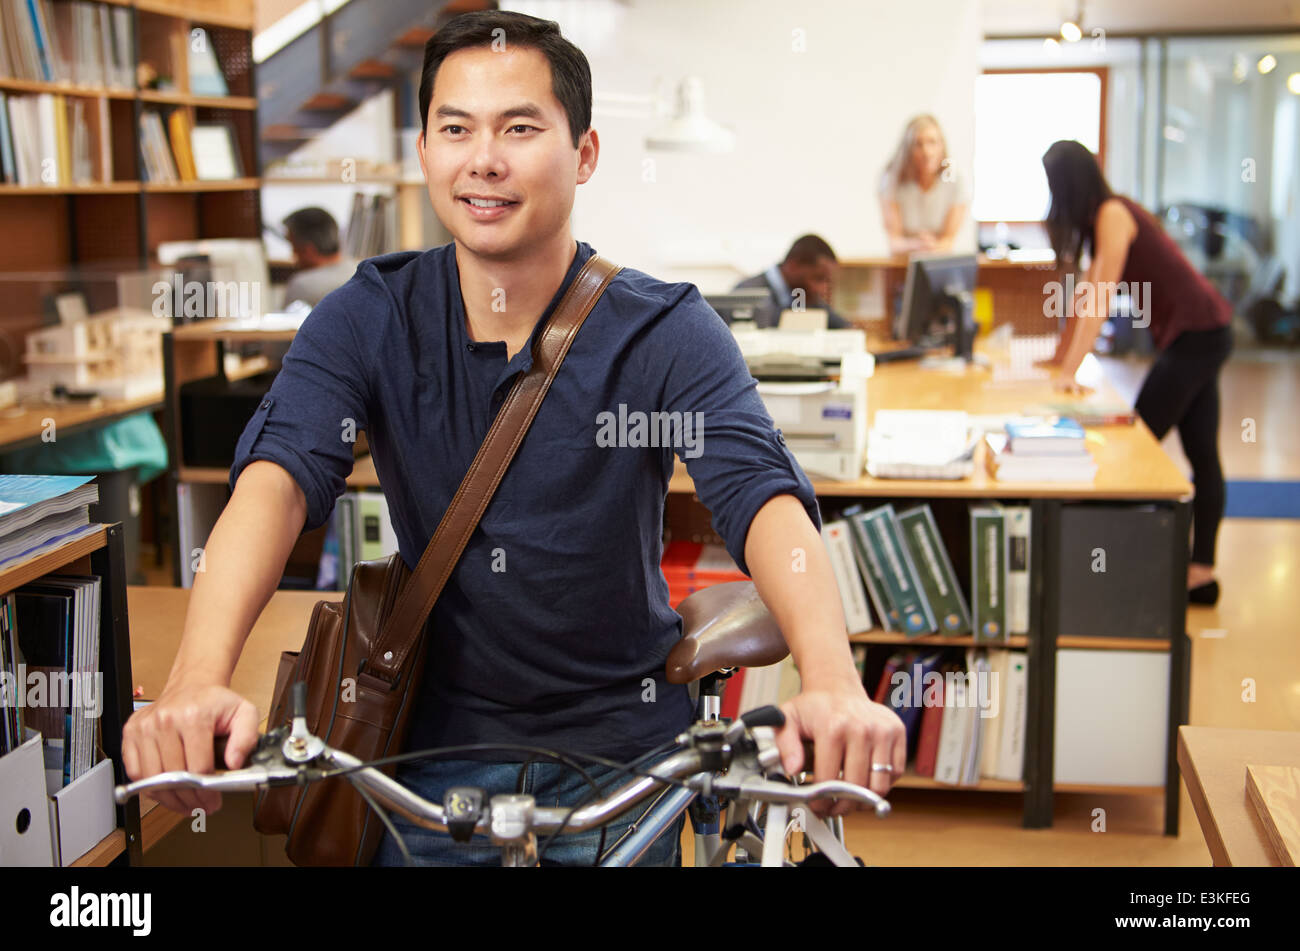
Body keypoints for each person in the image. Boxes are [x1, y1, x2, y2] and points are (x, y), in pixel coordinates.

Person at [121, 10, 905, 866]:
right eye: (455, 128)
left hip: (625, 756)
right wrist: (196, 680)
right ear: (425, 151)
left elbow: (763, 499)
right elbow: (274, 479)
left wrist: (831, 680)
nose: (483, 158)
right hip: (424, 757)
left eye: (520, 127)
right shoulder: (369, 316)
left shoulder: (666, 329)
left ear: (585, 154)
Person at [1037, 140, 1233, 605]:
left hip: (1198, 335)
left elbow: (1100, 298)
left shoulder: (1113, 214)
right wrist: (1060, 356)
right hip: (1204, 331)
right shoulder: (1102, 217)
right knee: (1202, 452)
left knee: (1134, 442)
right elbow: (1088, 290)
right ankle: (1200, 574)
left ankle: (1111, 565)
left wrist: (1070, 372)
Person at [878, 114, 969, 256]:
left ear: (942, 145)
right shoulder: (891, 181)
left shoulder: (955, 181)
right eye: (918, 144)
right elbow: (894, 242)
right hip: (903, 262)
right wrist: (915, 245)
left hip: (940, 261)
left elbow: (949, 240)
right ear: (908, 148)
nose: (927, 152)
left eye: (932, 142)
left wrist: (932, 246)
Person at [733, 234, 852, 328]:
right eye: (818, 278)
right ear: (794, 265)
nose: (822, 289)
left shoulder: (804, 295)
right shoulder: (746, 294)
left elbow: (845, 328)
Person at [281, 207, 359, 307]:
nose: (292, 254)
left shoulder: (302, 286)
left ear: (308, 249)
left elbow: (285, 321)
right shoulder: (360, 272)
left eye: (293, 247)